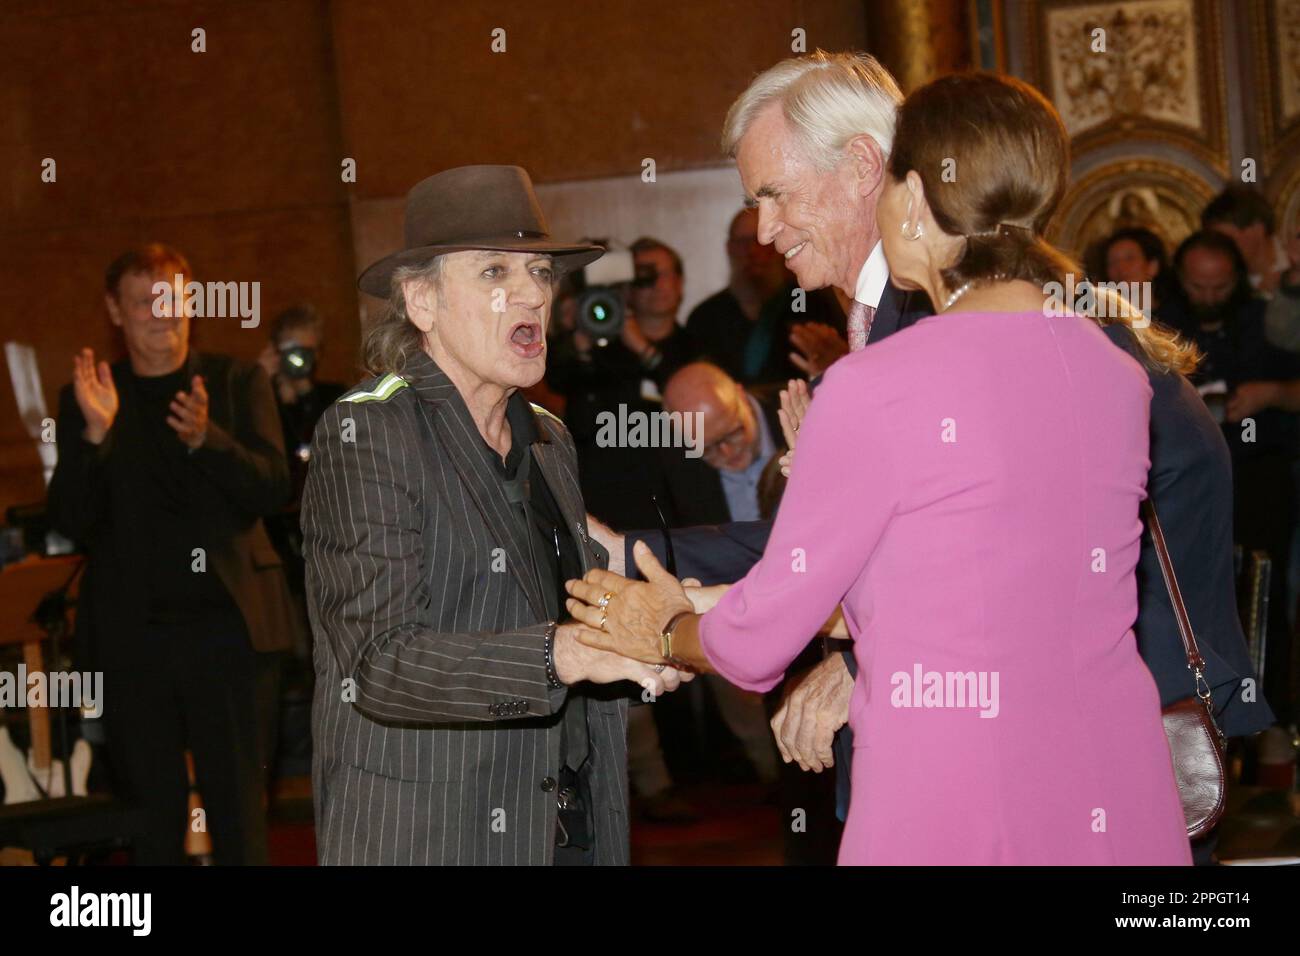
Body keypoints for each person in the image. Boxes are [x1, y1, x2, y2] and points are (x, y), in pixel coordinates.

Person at [567, 73, 1191, 865]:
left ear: (908, 196)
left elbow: (761, 639)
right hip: (1116, 783)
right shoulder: (1113, 370)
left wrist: (656, 625)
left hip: (955, 793)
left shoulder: (878, 385)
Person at [302, 166, 689, 866]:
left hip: (564, 827)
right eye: (492, 272)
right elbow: (378, 662)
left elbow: (578, 607)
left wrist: (649, 635)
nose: (532, 295)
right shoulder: (369, 433)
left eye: (540, 272)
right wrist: (561, 652)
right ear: (421, 300)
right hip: (432, 835)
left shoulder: (549, 436)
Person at [47, 243, 301, 864]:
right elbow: (70, 522)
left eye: (173, 299)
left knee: (240, 815)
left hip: (230, 634)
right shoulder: (91, 396)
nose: (162, 315)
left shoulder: (237, 382)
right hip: (136, 641)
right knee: (152, 822)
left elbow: (274, 489)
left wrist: (207, 440)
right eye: (144, 302)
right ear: (115, 311)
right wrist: (97, 435)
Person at [687, 208, 845, 384]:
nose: (752, 251)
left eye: (761, 241)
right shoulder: (705, 317)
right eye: (743, 242)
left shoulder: (811, 304)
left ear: (779, 246)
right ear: (729, 249)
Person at [1202, 186, 1290, 296]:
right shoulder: (1222, 288)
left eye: (1227, 239)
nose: (1221, 248)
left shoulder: (1294, 265)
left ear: (1257, 229)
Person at [1103, 226, 1176, 320]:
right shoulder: (1105, 322)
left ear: (1152, 266)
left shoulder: (1176, 319)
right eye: (1112, 262)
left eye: (1129, 258)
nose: (1121, 268)